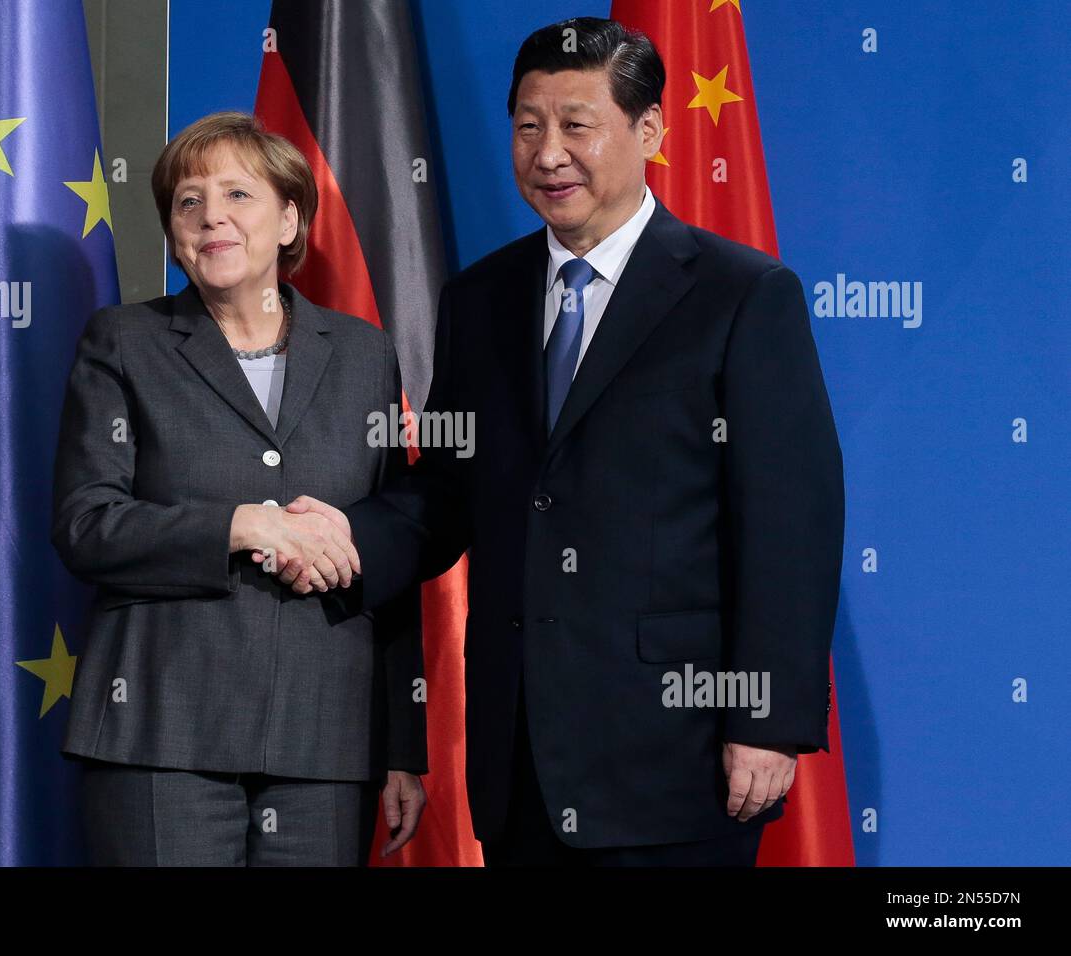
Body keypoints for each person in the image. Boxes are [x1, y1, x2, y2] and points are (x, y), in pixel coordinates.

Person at [274, 18, 845, 866]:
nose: (548, 154)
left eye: (577, 125)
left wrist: (766, 719)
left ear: (648, 130)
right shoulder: (480, 298)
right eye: (528, 125)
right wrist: (342, 537)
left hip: (676, 758)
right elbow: (448, 495)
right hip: (521, 755)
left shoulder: (741, 295)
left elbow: (789, 523)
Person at [51, 111, 427, 866]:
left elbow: (393, 549)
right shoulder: (122, 341)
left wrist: (402, 744)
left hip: (326, 739)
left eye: (237, 195)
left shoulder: (363, 353)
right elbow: (86, 524)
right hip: (160, 731)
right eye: (187, 201)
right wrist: (242, 526)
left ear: (290, 219)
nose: (210, 216)